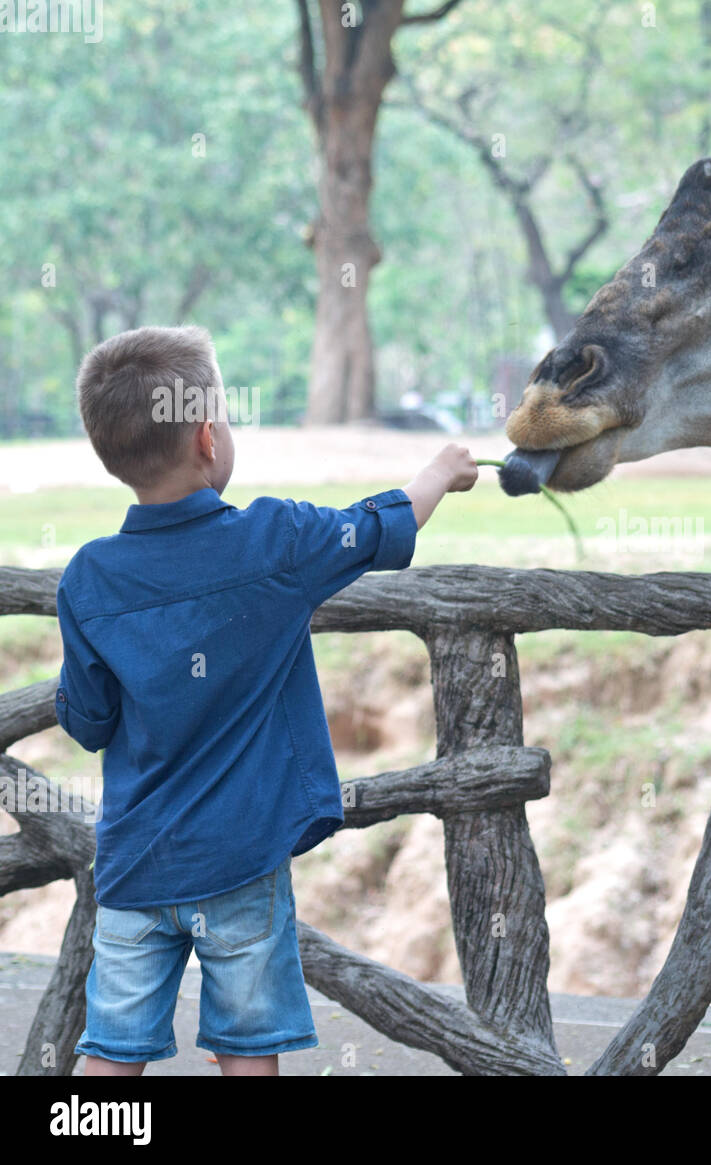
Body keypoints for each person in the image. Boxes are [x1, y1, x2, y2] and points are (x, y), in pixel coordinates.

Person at [53, 324, 477, 1076]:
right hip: (240, 860)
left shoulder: (89, 578)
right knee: (247, 1050)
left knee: (110, 1052)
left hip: (134, 865)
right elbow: (378, 527)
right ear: (209, 440)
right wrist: (441, 469)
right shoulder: (276, 542)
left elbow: (86, 721)